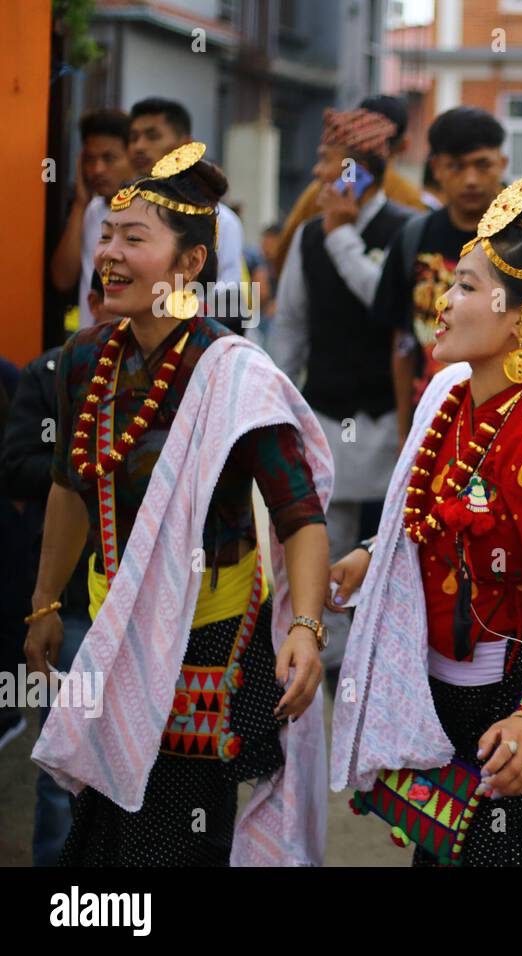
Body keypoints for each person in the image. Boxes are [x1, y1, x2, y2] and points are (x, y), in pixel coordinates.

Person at [27, 143, 333, 866]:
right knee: (100, 829)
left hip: (206, 637)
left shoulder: (233, 375)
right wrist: (44, 602)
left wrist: (308, 628)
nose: (110, 253)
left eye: (135, 239)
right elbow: (72, 484)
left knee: (176, 831)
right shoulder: (83, 358)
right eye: (107, 234)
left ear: (190, 265)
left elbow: (300, 514)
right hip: (106, 624)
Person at [328, 177, 522, 866]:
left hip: (520, 700)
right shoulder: (453, 401)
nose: (439, 300)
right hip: (452, 700)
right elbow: (432, 514)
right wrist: (375, 552)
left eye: (462, 286)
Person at [268, 107, 413, 679]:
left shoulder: (408, 231)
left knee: (389, 560)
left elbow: (390, 305)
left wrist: (344, 237)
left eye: (329, 160)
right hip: (327, 418)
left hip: (390, 424)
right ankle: (333, 673)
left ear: (356, 171)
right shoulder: (305, 238)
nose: (318, 170)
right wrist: (276, 405)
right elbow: (292, 330)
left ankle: (384, 673)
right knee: (324, 558)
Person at [1, 347, 95, 865]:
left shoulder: (184, 370)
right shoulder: (55, 372)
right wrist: (91, 469)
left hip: (152, 608)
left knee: (152, 767)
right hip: (73, 598)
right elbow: (16, 467)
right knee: (63, 763)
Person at [370, 107, 509, 437]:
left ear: (502, 164)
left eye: (482, 165)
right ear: (437, 169)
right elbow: (402, 344)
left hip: (512, 421)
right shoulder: (412, 239)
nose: (471, 179)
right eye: (456, 167)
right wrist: (406, 429)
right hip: (434, 422)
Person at [270, 94, 428, 278]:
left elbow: (283, 256)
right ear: (405, 145)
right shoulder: (412, 201)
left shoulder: (317, 192)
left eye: (326, 159)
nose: (317, 171)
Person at [127, 99, 247, 328]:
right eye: (133, 138)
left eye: (152, 136)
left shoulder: (221, 220)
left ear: (185, 147)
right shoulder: (118, 212)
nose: (139, 147)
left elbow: (226, 303)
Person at [48, 109, 134, 329]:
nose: (97, 169)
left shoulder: (149, 213)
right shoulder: (89, 210)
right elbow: (62, 279)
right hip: (89, 343)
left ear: (132, 157)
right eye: (89, 159)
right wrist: (79, 203)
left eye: (109, 158)